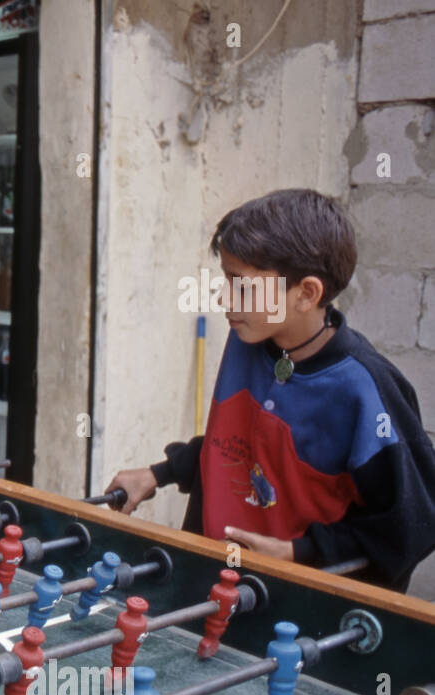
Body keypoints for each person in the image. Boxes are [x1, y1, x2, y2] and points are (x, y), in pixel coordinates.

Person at [107, 189, 435, 591]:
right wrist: (159, 473)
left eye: (242, 286)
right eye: (225, 279)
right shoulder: (248, 339)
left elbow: (411, 526)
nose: (225, 298)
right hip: (211, 582)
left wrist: (298, 553)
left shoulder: (365, 389)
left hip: (297, 613)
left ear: (307, 293)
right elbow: (240, 448)